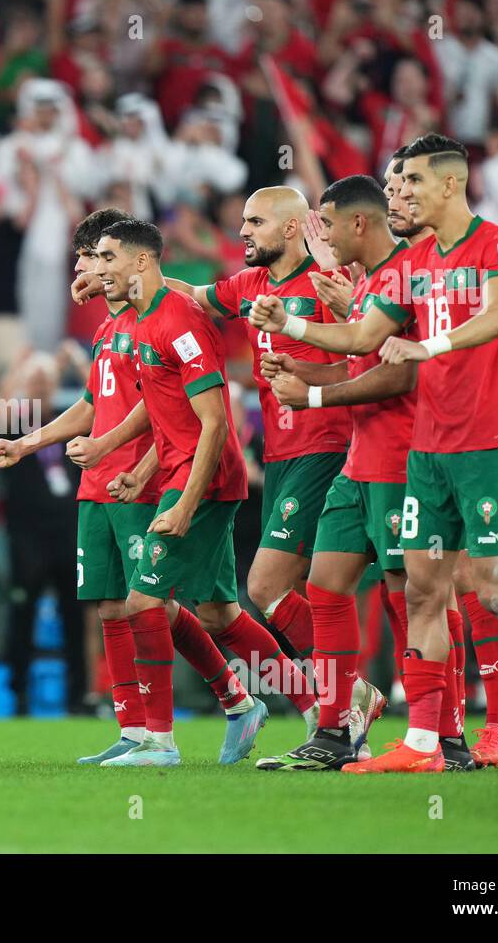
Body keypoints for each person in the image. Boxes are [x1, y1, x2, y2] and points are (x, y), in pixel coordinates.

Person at [250, 134, 498, 776]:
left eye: (411, 181)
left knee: (491, 589)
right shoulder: (411, 268)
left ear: (450, 184)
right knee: (420, 592)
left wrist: (427, 348)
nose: (400, 194)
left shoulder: (497, 243)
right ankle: (422, 743)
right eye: (395, 183)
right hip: (427, 452)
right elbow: (363, 335)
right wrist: (292, 327)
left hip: (488, 442)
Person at [0, 208, 266, 765]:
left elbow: (163, 405)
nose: (81, 269)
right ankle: (135, 730)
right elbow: (93, 404)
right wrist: (27, 443)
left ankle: (212, 710)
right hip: (99, 484)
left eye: (92, 257)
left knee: (157, 605)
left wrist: (131, 462)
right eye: (84, 258)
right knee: (112, 608)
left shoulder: (160, 319)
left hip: (145, 479)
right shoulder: (107, 330)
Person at [86, 218, 306, 767]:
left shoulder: (178, 322)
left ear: (140, 262)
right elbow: (168, 410)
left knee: (141, 601)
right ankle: (317, 702)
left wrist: (184, 501)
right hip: (179, 474)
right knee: (217, 614)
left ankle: (158, 742)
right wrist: (140, 470)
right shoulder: (143, 320)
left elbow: (213, 422)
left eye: (109, 258)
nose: (101, 269)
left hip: (202, 483)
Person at [250, 175, 419, 770]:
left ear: (356, 222)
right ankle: (334, 727)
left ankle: (442, 736)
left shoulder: (403, 274)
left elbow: (394, 371)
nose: (320, 233)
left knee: (419, 595)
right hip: (357, 460)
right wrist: (302, 369)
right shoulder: (368, 280)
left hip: (400, 459)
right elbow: (355, 361)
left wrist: (307, 381)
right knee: (325, 588)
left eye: (326, 220)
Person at [156, 187, 355, 669]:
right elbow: (193, 295)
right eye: (243, 220)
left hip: (326, 445)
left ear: (291, 228)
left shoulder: (327, 281)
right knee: (297, 587)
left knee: (266, 584)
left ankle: (348, 693)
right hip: (280, 453)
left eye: (255, 221)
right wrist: (132, 274)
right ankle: (346, 699)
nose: (243, 230)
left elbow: (362, 363)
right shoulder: (248, 285)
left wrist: (305, 376)